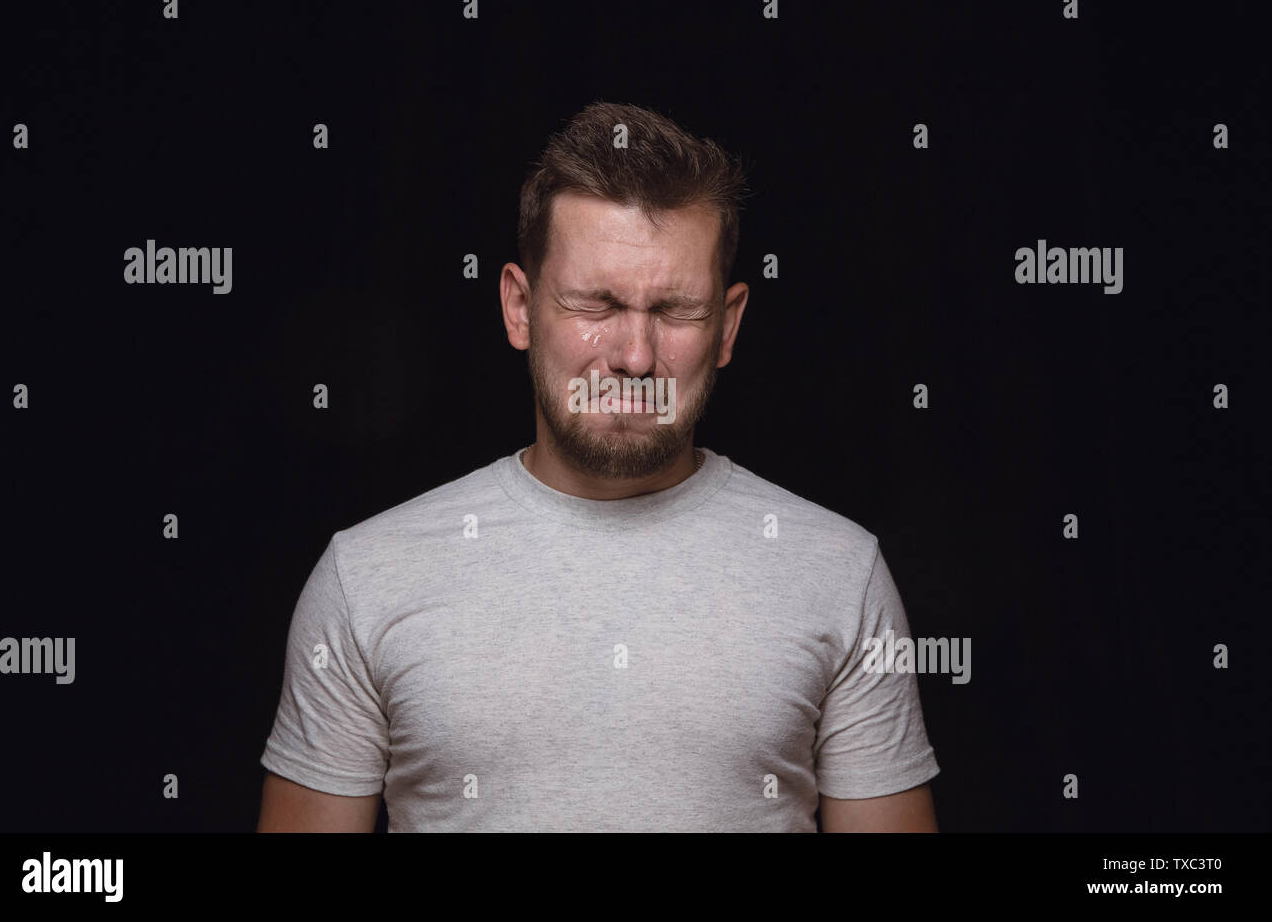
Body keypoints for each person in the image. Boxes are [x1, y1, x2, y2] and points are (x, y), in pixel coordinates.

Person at [256, 101, 940, 831]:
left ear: (728, 326)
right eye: (596, 304)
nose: (636, 356)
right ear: (519, 308)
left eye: (675, 310)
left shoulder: (839, 573)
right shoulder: (367, 577)